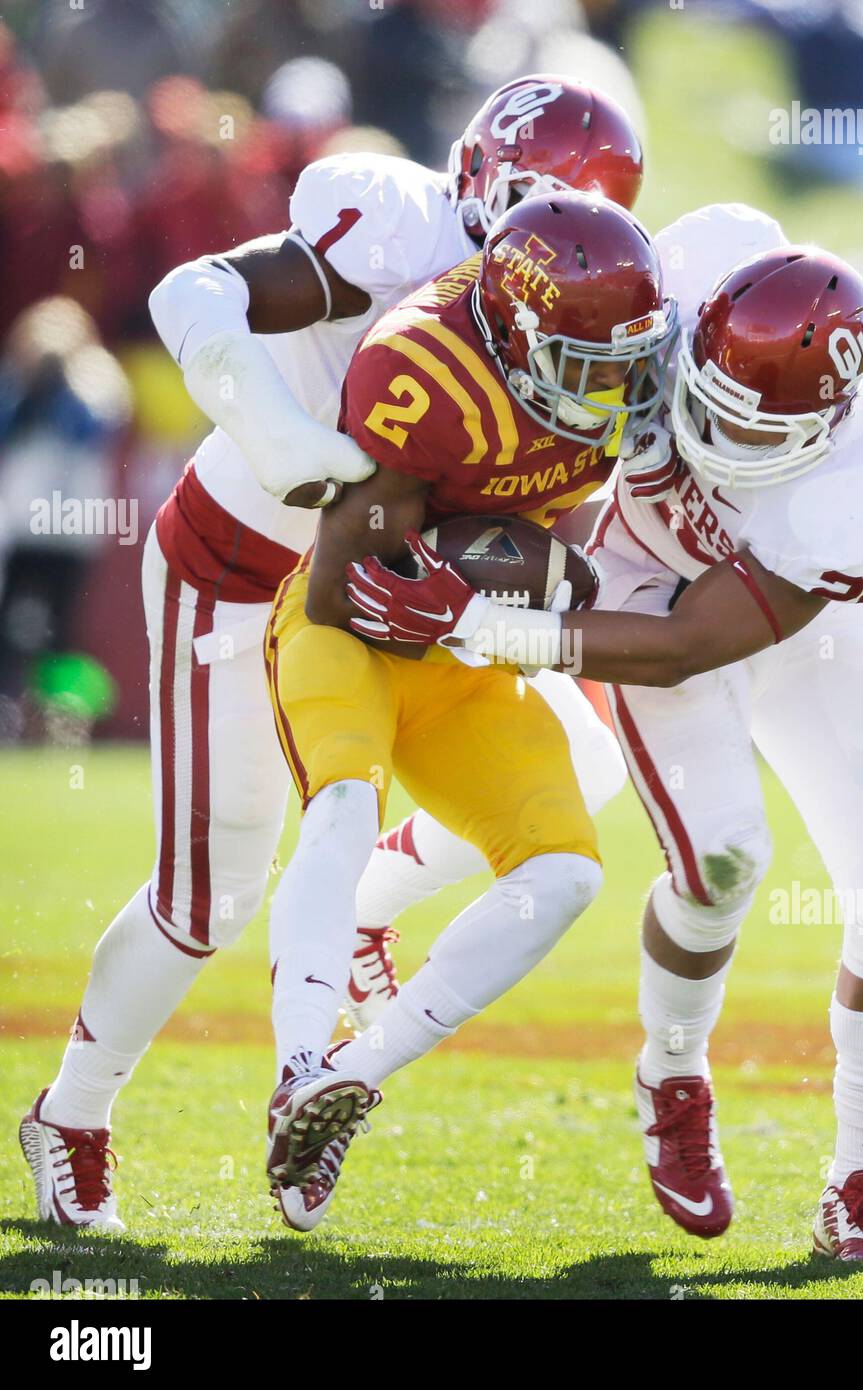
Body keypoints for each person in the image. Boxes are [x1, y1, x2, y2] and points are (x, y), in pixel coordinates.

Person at [19, 76, 641, 1233]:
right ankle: (73, 1110)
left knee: (589, 767)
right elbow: (191, 289)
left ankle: (357, 925)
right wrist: (278, 431)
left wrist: (525, 584)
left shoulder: (580, 313)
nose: (546, 245)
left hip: (402, 596)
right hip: (248, 573)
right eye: (534, 208)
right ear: (479, 185)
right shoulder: (397, 230)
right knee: (210, 894)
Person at [349, 204, 863, 1264]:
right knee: (724, 863)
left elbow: (690, 646)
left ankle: (860, 1178)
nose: (718, 441)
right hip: (641, 571)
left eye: (755, 431)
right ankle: (674, 1072)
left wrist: (490, 627)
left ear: (828, 423)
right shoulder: (697, 260)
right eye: (703, 401)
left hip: (788, 616)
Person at [263, 190, 675, 1230]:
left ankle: (349, 1077)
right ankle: (298, 1060)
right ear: (516, 330)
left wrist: (530, 580)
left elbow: (566, 554)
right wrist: (472, 579)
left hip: (462, 654)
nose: (612, 387)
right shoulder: (419, 369)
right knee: (343, 811)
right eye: (585, 361)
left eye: (623, 359)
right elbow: (337, 581)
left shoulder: (613, 371)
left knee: (568, 870)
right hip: (353, 627)